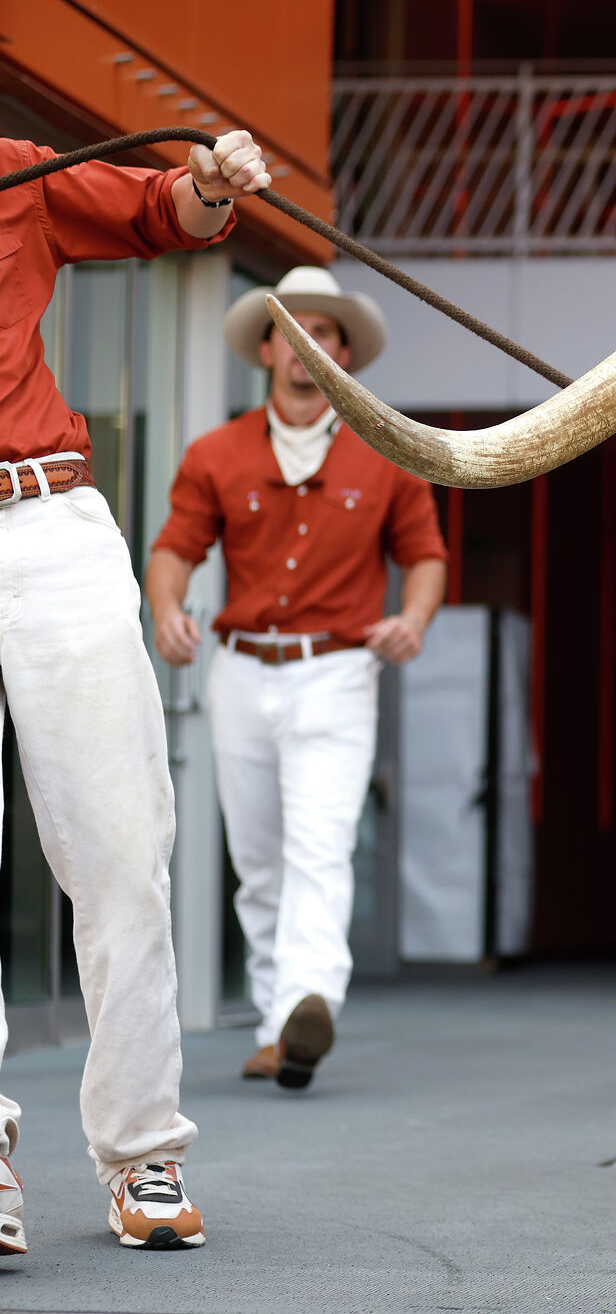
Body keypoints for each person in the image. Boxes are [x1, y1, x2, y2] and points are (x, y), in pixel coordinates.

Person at [0, 127, 270, 1252]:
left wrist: (211, 185)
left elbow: (170, 212)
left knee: (119, 838)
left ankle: (144, 1153)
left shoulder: (11, 169)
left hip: (43, 517)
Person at [147, 266, 447, 1093]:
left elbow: (425, 557)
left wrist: (412, 621)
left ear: (344, 353)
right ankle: (279, 1012)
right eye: (293, 329)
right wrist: (167, 609)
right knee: (260, 859)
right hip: (241, 671)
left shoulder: (389, 446)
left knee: (320, 846)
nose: (307, 346)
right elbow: (173, 546)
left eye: (325, 332)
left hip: (339, 671)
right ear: (268, 346)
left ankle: (302, 1012)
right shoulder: (216, 451)